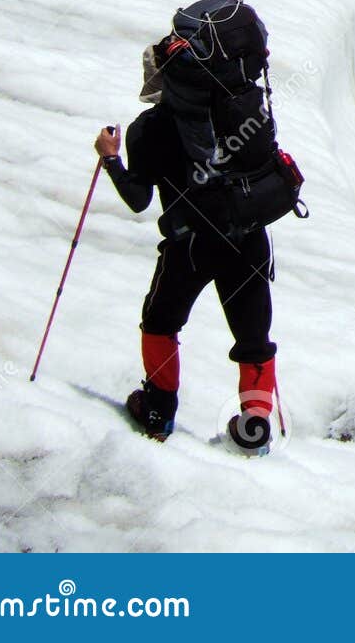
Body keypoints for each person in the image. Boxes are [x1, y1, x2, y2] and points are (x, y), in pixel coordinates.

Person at [95, 36, 279, 449]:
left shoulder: (148, 129)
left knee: (161, 322)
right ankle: (255, 425)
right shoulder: (235, 110)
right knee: (253, 335)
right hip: (247, 236)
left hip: (190, 244)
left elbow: (139, 199)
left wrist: (110, 159)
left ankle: (158, 411)